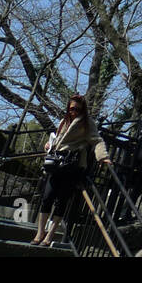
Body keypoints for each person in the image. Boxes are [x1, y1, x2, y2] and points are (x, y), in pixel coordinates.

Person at [32, 94, 111, 246]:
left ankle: (50, 236)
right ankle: (40, 232)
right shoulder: (64, 121)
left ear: (82, 109)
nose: (73, 111)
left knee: (62, 201)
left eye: (76, 109)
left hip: (72, 165)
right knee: (47, 197)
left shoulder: (87, 123)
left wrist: (102, 157)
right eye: (71, 108)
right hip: (56, 164)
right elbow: (56, 139)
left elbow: (97, 141)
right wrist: (49, 146)